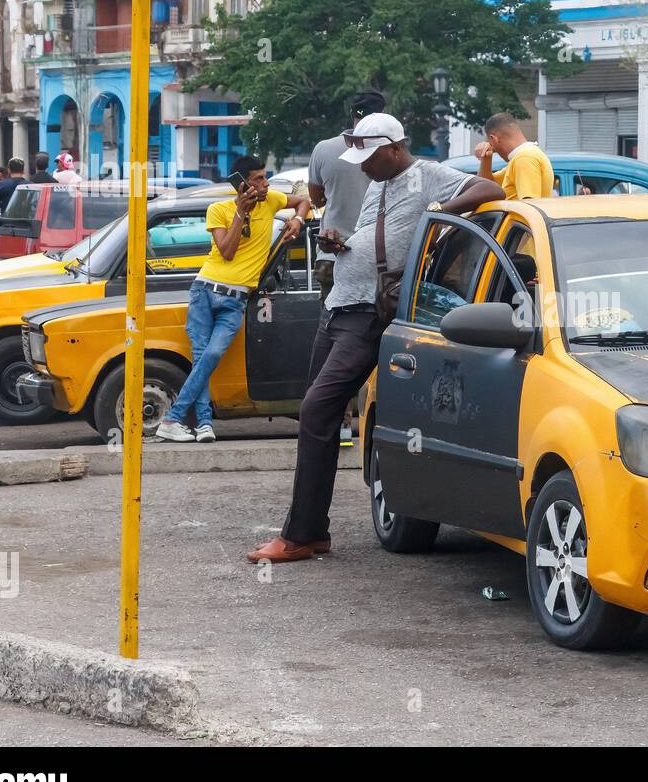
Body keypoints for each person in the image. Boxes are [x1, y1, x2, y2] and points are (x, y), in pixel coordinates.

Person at [247, 113, 503, 563]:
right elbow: (371, 238)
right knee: (316, 419)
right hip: (339, 306)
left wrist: (439, 213)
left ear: (394, 149)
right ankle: (312, 532)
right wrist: (338, 241)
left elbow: (491, 191)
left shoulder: (426, 175)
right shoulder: (379, 184)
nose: (362, 166)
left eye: (369, 158)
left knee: (317, 409)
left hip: (369, 313)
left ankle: (300, 534)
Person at [155, 155, 312, 443]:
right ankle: (202, 425)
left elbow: (304, 200)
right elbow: (226, 250)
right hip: (205, 290)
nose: (265, 184)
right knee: (203, 358)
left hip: (236, 300)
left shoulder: (273, 201)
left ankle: (174, 418)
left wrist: (298, 220)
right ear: (241, 184)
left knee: (210, 356)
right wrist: (241, 212)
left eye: (265, 177)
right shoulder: (219, 209)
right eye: (258, 180)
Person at [308, 90, 384, 303]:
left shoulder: (323, 149)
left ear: (353, 114)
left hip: (331, 255)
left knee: (331, 322)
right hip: (376, 257)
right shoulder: (390, 151)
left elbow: (316, 198)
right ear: (383, 115)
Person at [474, 112, 553, 201]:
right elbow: (485, 188)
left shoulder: (524, 158)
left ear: (494, 139)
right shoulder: (523, 157)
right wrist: (486, 157)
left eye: (491, 144)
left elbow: (530, 204)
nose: (495, 150)